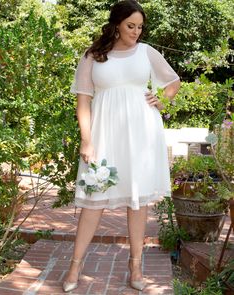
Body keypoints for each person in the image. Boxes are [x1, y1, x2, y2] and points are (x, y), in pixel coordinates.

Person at [63, 0, 180, 292]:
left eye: (140, 27)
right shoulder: (93, 56)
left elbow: (173, 81)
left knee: (136, 200)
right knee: (93, 202)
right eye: (131, 26)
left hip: (142, 134)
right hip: (104, 136)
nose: (136, 32)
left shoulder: (146, 52)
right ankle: (75, 265)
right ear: (116, 23)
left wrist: (162, 99)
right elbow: (83, 101)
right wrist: (86, 140)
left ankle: (136, 264)